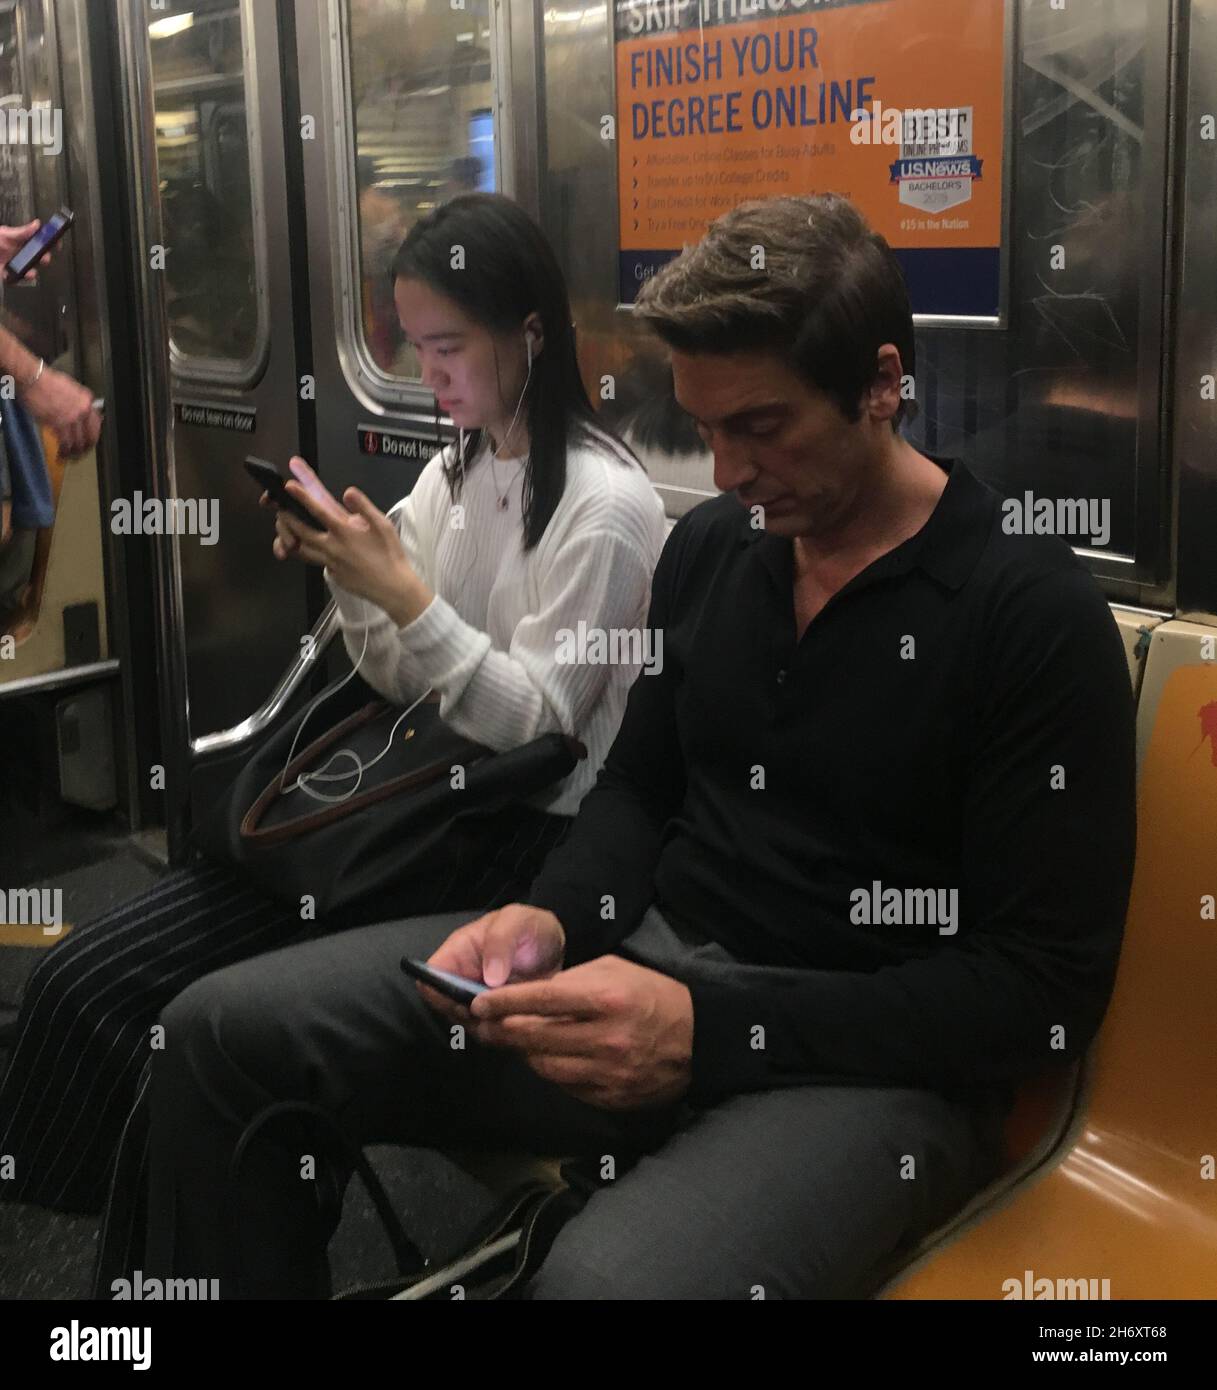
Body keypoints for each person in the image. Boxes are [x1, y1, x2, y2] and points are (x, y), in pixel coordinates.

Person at [126, 192, 1137, 1299]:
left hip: (866, 1065)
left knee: (606, 1286)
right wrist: (549, 918)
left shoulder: (1024, 617)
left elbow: (1033, 994)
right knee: (219, 1038)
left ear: (882, 384)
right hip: (645, 974)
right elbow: (639, 795)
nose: (727, 471)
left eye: (760, 426)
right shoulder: (713, 553)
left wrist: (709, 1029)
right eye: (704, 430)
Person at [0, 192, 666, 1218]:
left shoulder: (605, 505)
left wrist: (405, 592)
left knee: (149, 1006)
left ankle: (174, 1245)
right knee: (80, 983)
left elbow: (538, 728)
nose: (428, 373)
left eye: (450, 346)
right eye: (411, 346)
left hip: (520, 841)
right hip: (422, 799)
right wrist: (355, 585)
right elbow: (400, 678)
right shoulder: (460, 467)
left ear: (530, 333)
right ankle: (144, 1241)